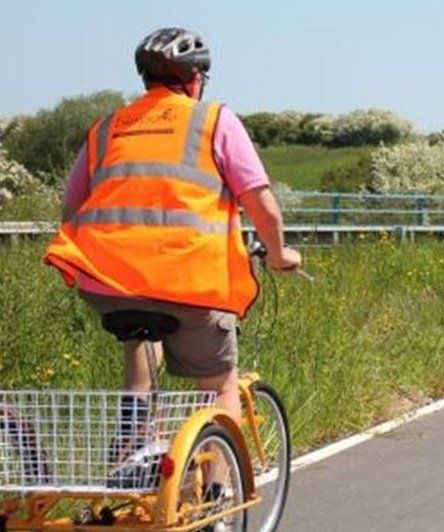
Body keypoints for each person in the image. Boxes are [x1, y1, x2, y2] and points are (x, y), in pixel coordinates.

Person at [44, 28, 301, 425]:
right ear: (196, 80)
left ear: (145, 79)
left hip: (109, 282)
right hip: (190, 280)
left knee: (142, 336)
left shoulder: (106, 128)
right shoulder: (214, 120)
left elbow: (71, 209)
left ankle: (134, 444)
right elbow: (259, 203)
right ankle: (218, 485)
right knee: (220, 385)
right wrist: (281, 254)